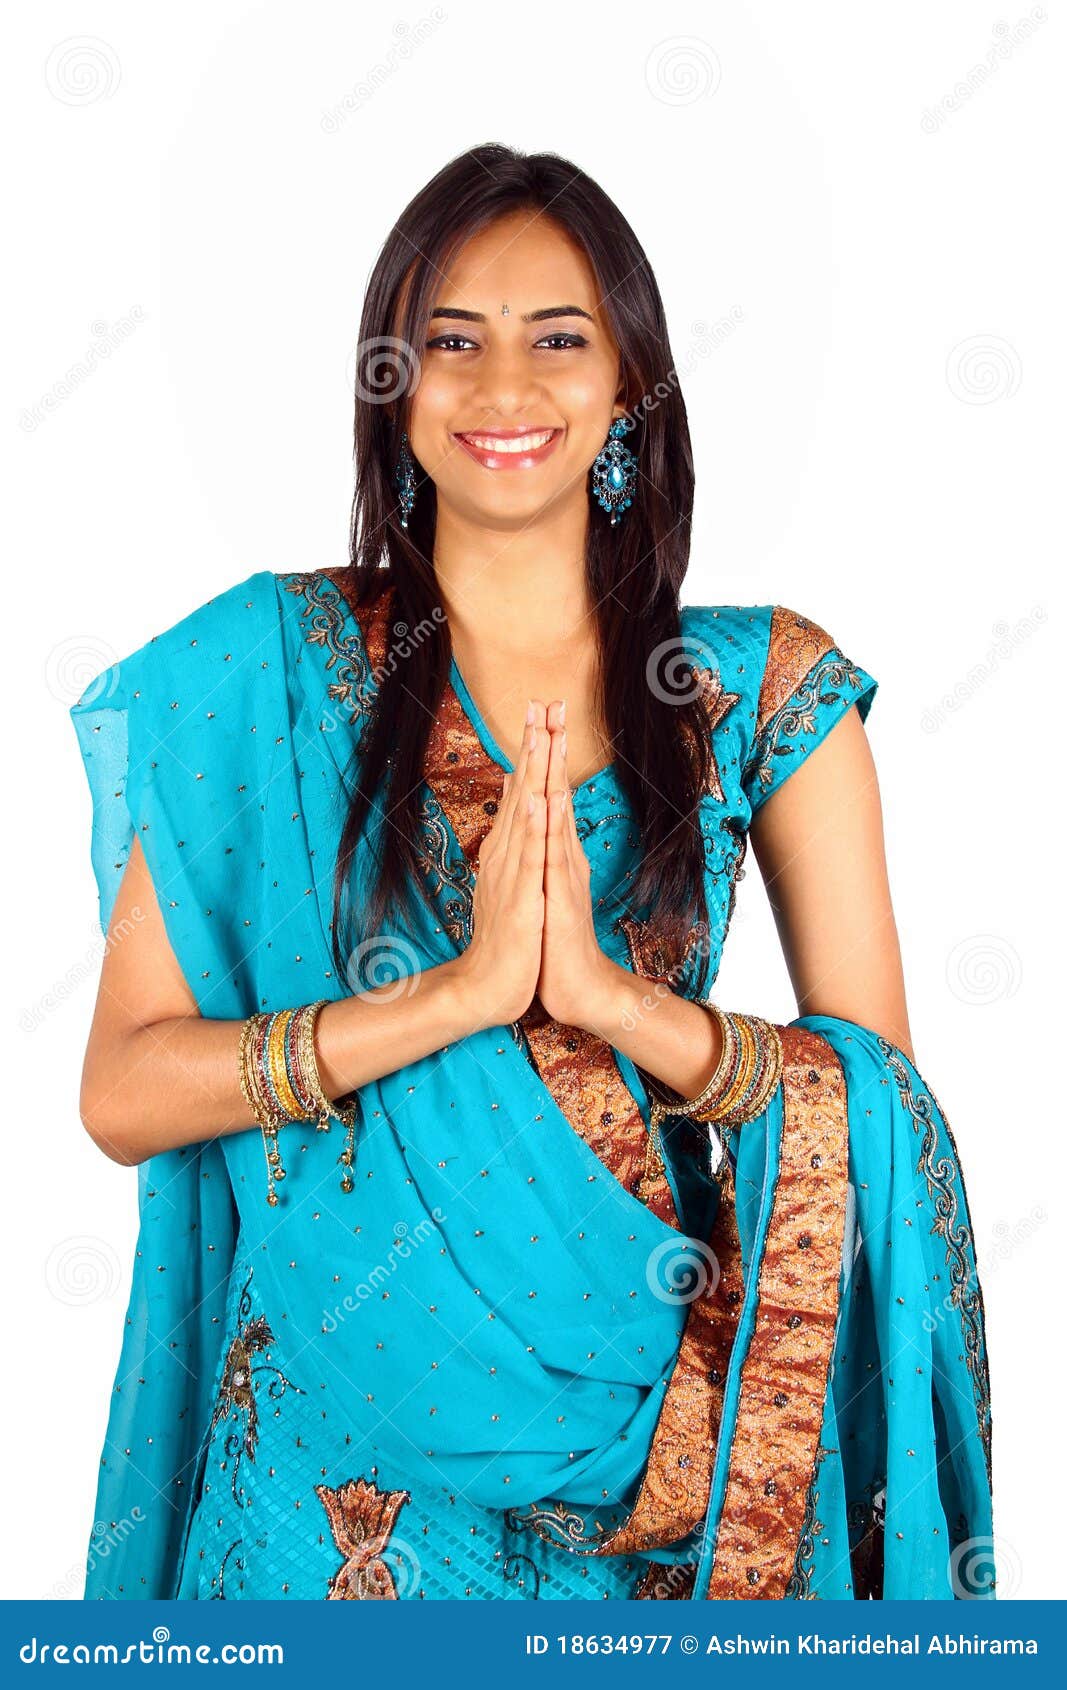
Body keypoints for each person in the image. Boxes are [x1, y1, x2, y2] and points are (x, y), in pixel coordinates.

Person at [70, 144, 992, 1602]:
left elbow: (878, 1120)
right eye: (452, 342)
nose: (505, 388)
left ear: (630, 386)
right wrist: (450, 997)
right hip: (321, 1515)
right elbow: (122, 1089)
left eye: (559, 340)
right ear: (397, 384)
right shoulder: (259, 669)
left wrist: (618, 1007)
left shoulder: (759, 691)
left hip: (646, 1482)